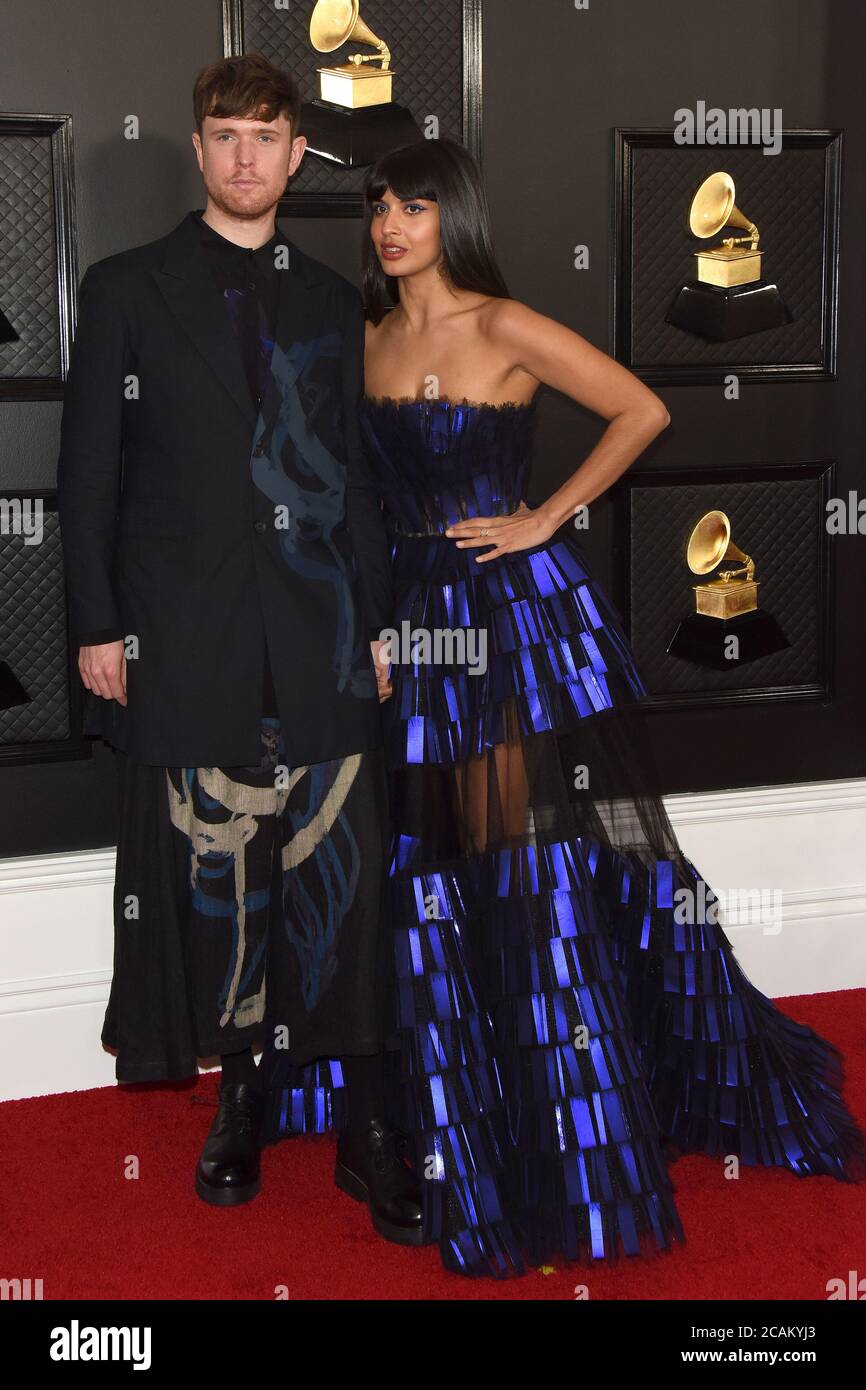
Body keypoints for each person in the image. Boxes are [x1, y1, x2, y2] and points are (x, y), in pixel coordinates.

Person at [259, 135, 866, 1279]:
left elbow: (639, 410)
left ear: (455, 216)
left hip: (505, 623)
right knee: (419, 870)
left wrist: (542, 518)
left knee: (512, 869)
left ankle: (552, 1151)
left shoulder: (501, 325)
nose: (391, 225)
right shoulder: (368, 334)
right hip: (407, 621)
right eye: (380, 205)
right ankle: (450, 1131)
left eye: (417, 206)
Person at [57, 52, 423, 1243]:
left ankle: (369, 1126)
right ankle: (245, 1095)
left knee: (344, 873)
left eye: (268, 136)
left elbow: (360, 488)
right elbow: (90, 476)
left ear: (295, 148)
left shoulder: (333, 301)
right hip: (189, 629)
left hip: (318, 630)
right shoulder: (124, 288)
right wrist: (96, 621)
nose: (246, 157)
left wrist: (376, 624)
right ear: (200, 145)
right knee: (220, 882)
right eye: (225, 135)